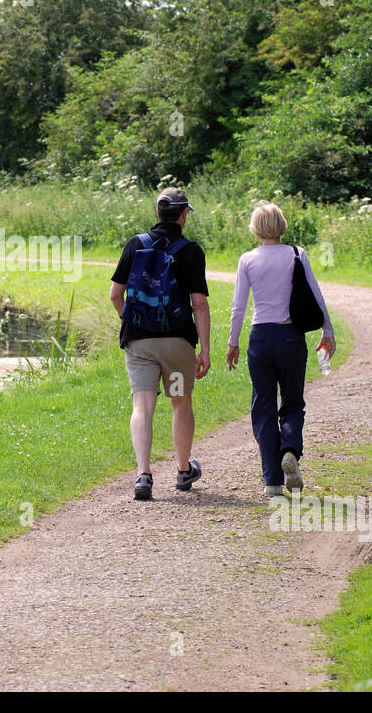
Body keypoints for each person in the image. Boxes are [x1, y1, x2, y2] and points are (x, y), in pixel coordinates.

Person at [225, 202, 335, 497]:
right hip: (291, 337)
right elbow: (316, 294)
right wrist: (328, 332)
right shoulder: (297, 254)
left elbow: (238, 307)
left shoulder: (247, 259)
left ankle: (272, 480)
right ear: (281, 225)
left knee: (263, 406)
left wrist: (233, 342)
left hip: (261, 338)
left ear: (255, 228)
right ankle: (290, 451)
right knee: (292, 402)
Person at [109, 187, 211, 501]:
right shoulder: (191, 250)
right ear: (183, 215)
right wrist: (204, 348)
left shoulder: (134, 244)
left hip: (140, 344)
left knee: (142, 406)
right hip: (177, 345)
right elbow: (199, 304)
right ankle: (183, 470)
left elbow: (115, 294)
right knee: (179, 402)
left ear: (158, 213)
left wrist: (132, 319)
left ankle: (143, 475)